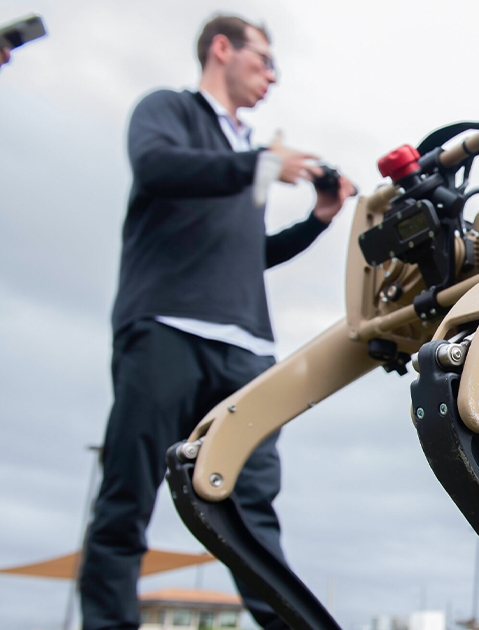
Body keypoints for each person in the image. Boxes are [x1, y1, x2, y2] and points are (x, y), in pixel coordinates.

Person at [80, 14, 354, 630]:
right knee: (127, 496)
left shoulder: (248, 152)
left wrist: (317, 220)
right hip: (165, 329)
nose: (272, 76)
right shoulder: (169, 110)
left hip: (246, 349)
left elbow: (248, 254)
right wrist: (259, 162)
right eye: (264, 60)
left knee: (251, 511)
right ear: (222, 49)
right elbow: (155, 166)